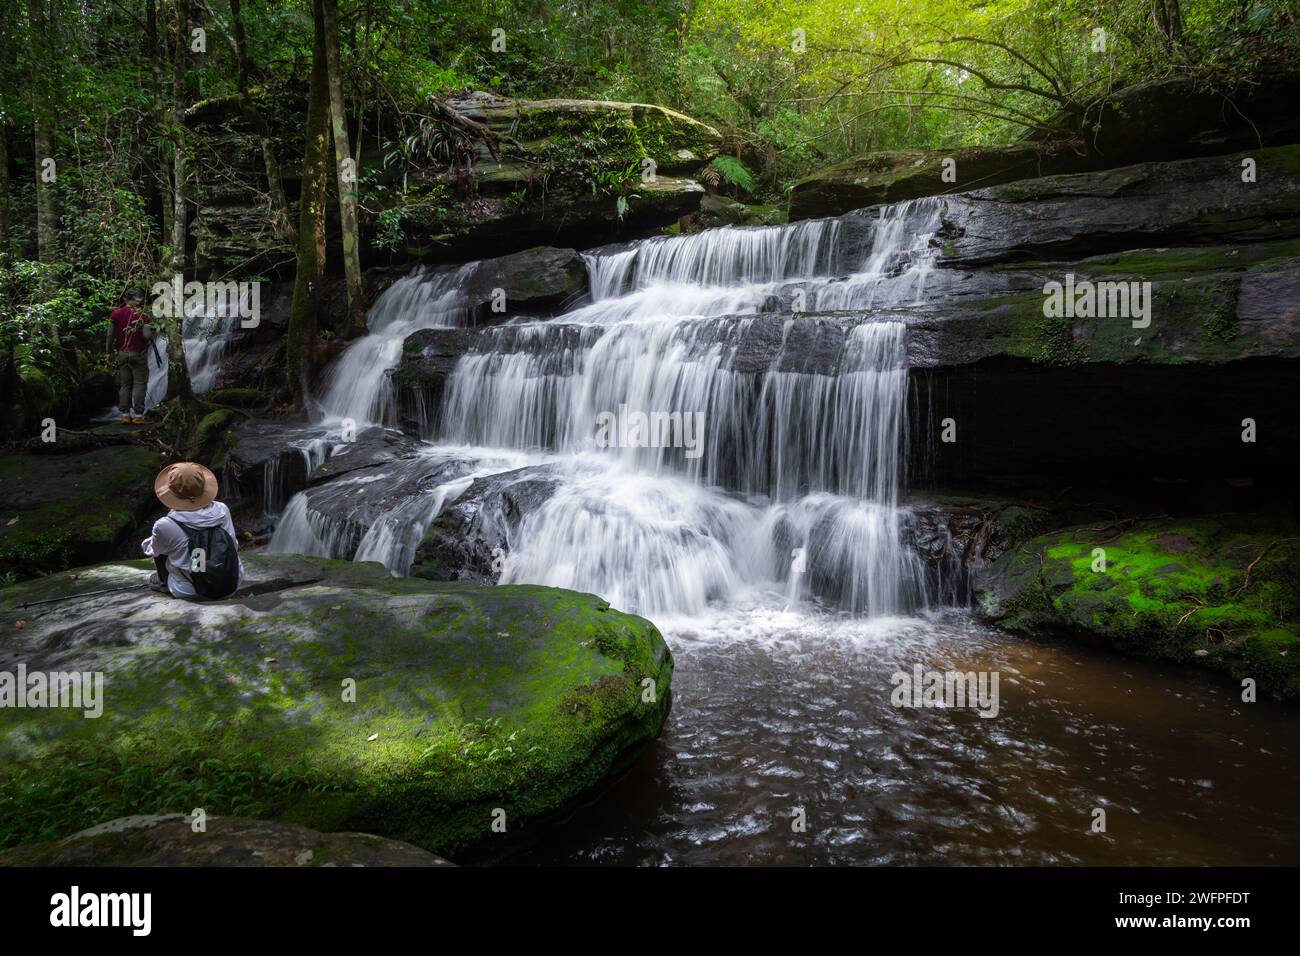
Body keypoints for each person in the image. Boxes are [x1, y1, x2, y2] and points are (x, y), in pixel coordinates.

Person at [142, 462, 244, 599]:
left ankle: (163, 584)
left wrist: (148, 543)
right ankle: (207, 576)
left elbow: (154, 550)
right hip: (231, 582)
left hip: (190, 590)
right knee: (196, 553)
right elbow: (233, 544)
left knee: (163, 551)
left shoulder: (164, 525)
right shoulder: (222, 509)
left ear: (171, 493)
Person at [106, 287, 155, 424]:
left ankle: (125, 415)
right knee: (139, 384)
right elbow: (147, 335)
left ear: (125, 299)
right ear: (137, 300)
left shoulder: (115, 314)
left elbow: (110, 336)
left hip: (122, 354)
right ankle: (138, 416)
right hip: (138, 354)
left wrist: (109, 353)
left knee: (125, 385)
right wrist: (152, 333)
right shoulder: (143, 316)